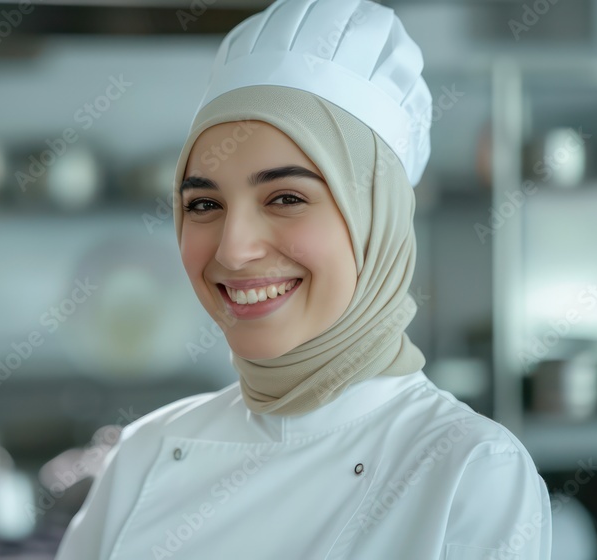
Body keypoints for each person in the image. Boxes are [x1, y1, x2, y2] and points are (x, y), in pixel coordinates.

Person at [54, 0, 552, 558]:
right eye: (203, 203)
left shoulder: (469, 470)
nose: (234, 250)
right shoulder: (144, 453)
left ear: (377, 220)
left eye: (286, 197)